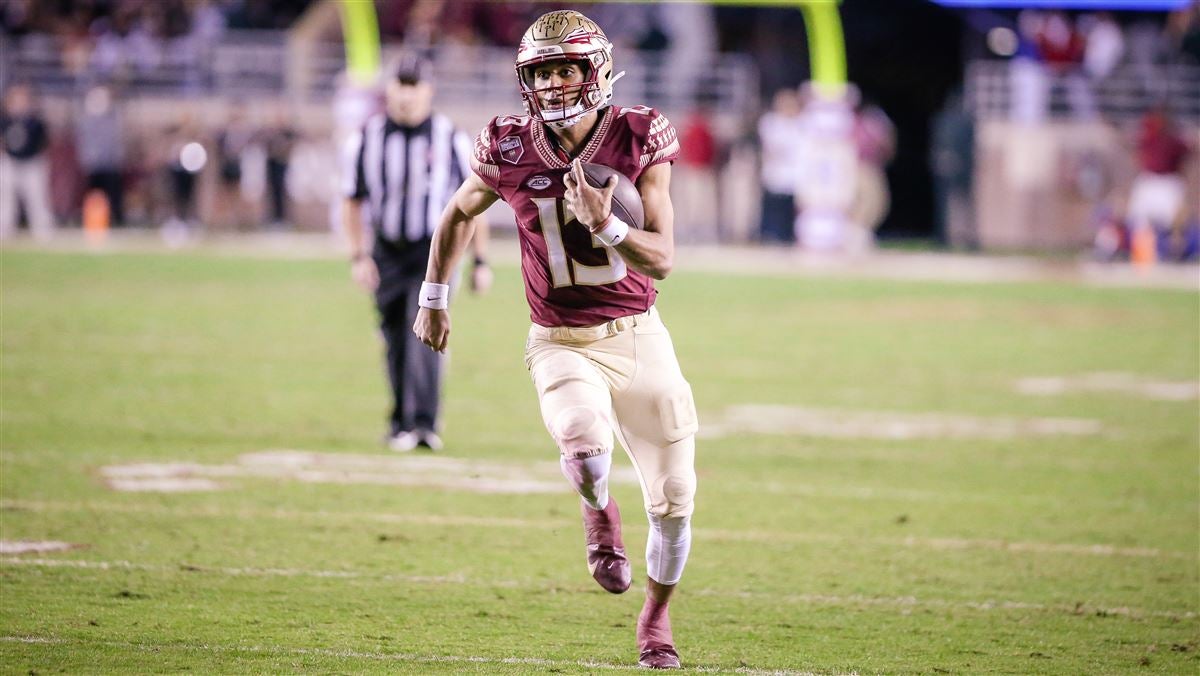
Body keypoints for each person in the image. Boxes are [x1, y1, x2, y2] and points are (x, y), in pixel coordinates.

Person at [413, 10, 698, 669]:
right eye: (539, 72)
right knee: (580, 436)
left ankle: (655, 616)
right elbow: (458, 212)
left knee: (676, 499)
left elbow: (663, 258)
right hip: (560, 341)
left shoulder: (638, 135)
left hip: (637, 335)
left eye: (564, 68)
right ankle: (598, 510)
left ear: (594, 69)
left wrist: (612, 229)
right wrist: (434, 296)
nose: (551, 84)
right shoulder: (510, 145)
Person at [343, 52, 491, 453]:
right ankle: (400, 421)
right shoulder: (367, 137)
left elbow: (474, 204)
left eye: (415, 87)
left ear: (429, 91)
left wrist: (481, 261)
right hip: (387, 250)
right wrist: (359, 255)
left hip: (432, 251)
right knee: (393, 334)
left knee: (421, 328)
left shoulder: (449, 137)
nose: (407, 96)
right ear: (389, 90)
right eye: (401, 86)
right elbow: (353, 200)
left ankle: (423, 423)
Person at [0, 82, 55, 240]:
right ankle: (5, 229)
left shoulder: (35, 121)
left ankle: (42, 231)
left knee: (37, 197)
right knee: (6, 198)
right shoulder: (5, 120)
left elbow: (44, 142)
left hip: (32, 163)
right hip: (11, 162)